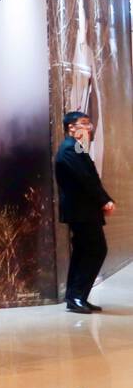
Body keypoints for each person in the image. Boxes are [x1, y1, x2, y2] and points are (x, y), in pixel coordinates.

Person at [55, 110, 114, 313]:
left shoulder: (77, 148)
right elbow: (86, 180)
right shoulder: (69, 149)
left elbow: (90, 176)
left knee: (83, 252)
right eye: (83, 123)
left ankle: (76, 296)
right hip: (80, 211)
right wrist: (104, 200)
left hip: (84, 210)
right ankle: (76, 296)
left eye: (89, 123)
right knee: (96, 250)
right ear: (71, 127)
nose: (88, 127)